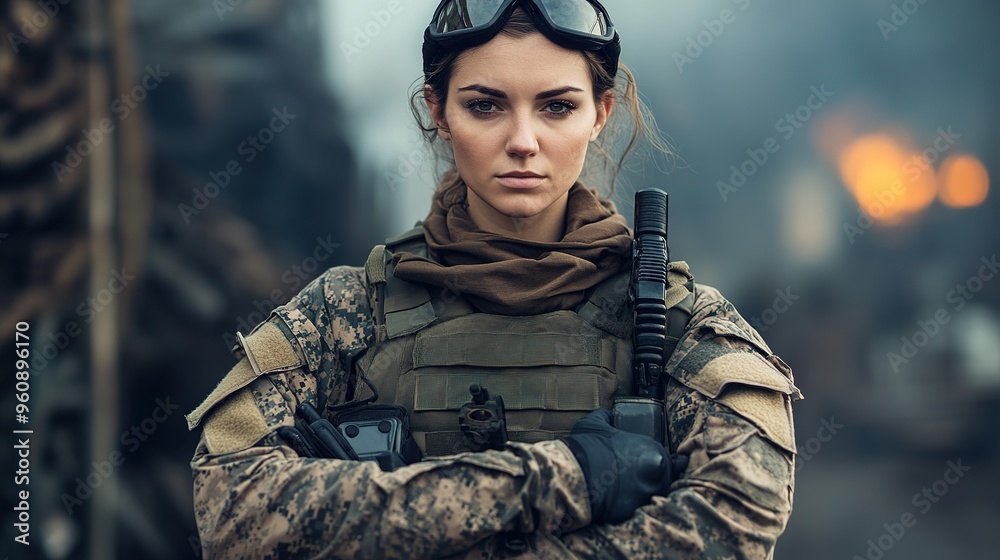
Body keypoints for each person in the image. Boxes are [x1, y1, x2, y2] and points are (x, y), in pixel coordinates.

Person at [186, 1, 803, 557]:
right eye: (485, 105)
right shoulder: (345, 312)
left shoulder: (674, 322)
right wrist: (566, 478)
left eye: (558, 106)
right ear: (439, 112)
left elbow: (735, 527)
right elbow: (230, 512)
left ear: (601, 114)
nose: (523, 142)